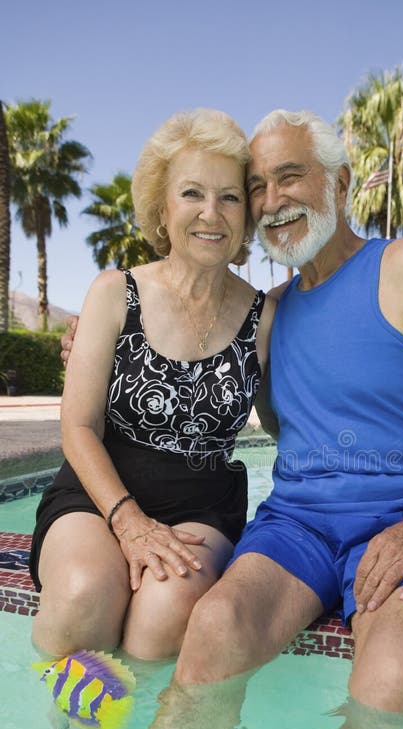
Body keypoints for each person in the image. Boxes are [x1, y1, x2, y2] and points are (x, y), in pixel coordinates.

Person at [62, 109, 403, 729]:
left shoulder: (401, 266)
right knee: (214, 625)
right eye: (257, 186)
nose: (270, 201)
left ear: (338, 181)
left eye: (288, 177)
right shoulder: (270, 310)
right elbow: (246, 397)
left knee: (396, 685)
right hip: (297, 526)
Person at [31, 108, 275, 662]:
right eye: (192, 193)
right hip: (99, 494)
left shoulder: (265, 318)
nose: (211, 213)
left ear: (246, 215)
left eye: (230, 197)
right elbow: (78, 426)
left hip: (202, 505)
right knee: (81, 594)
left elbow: (293, 419)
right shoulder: (115, 292)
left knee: (163, 615)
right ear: (163, 209)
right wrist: (129, 521)